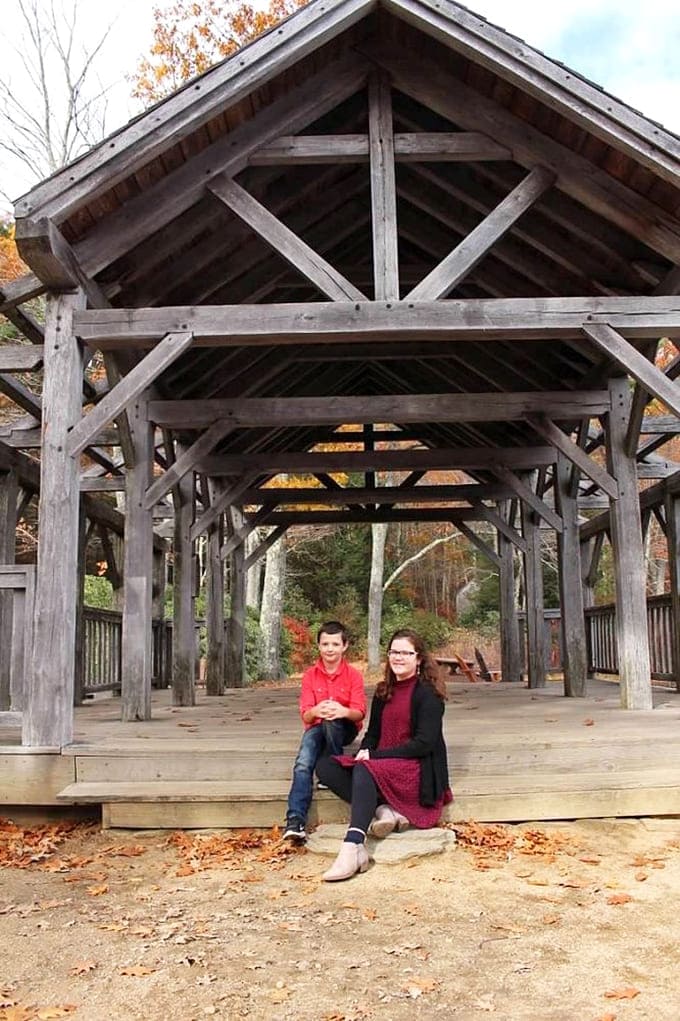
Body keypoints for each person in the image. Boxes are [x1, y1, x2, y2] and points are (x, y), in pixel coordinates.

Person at [316, 627, 452, 881]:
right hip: (383, 765)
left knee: (365, 768)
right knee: (325, 766)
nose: (398, 658)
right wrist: (365, 750)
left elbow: (423, 744)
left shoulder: (429, 694)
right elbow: (372, 734)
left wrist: (374, 758)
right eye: (393, 652)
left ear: (418, 658)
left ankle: (353, 846)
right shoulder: (383, 691)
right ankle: (384, 808)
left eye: (405, 653)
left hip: (415, 767)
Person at [282, 621, 366, 843]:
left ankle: (332, 767)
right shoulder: (310, 675)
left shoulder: (354, 675)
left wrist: (341, 710)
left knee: (332, 722)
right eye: (325, 644)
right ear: (318, 646)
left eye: (335, 644)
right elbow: (306, 716)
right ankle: (295, 821)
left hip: (344, 727)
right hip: (317, 727)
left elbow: (359, 713)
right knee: (303, 761)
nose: (330, 649)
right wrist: (317, 710)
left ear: (344, 646)